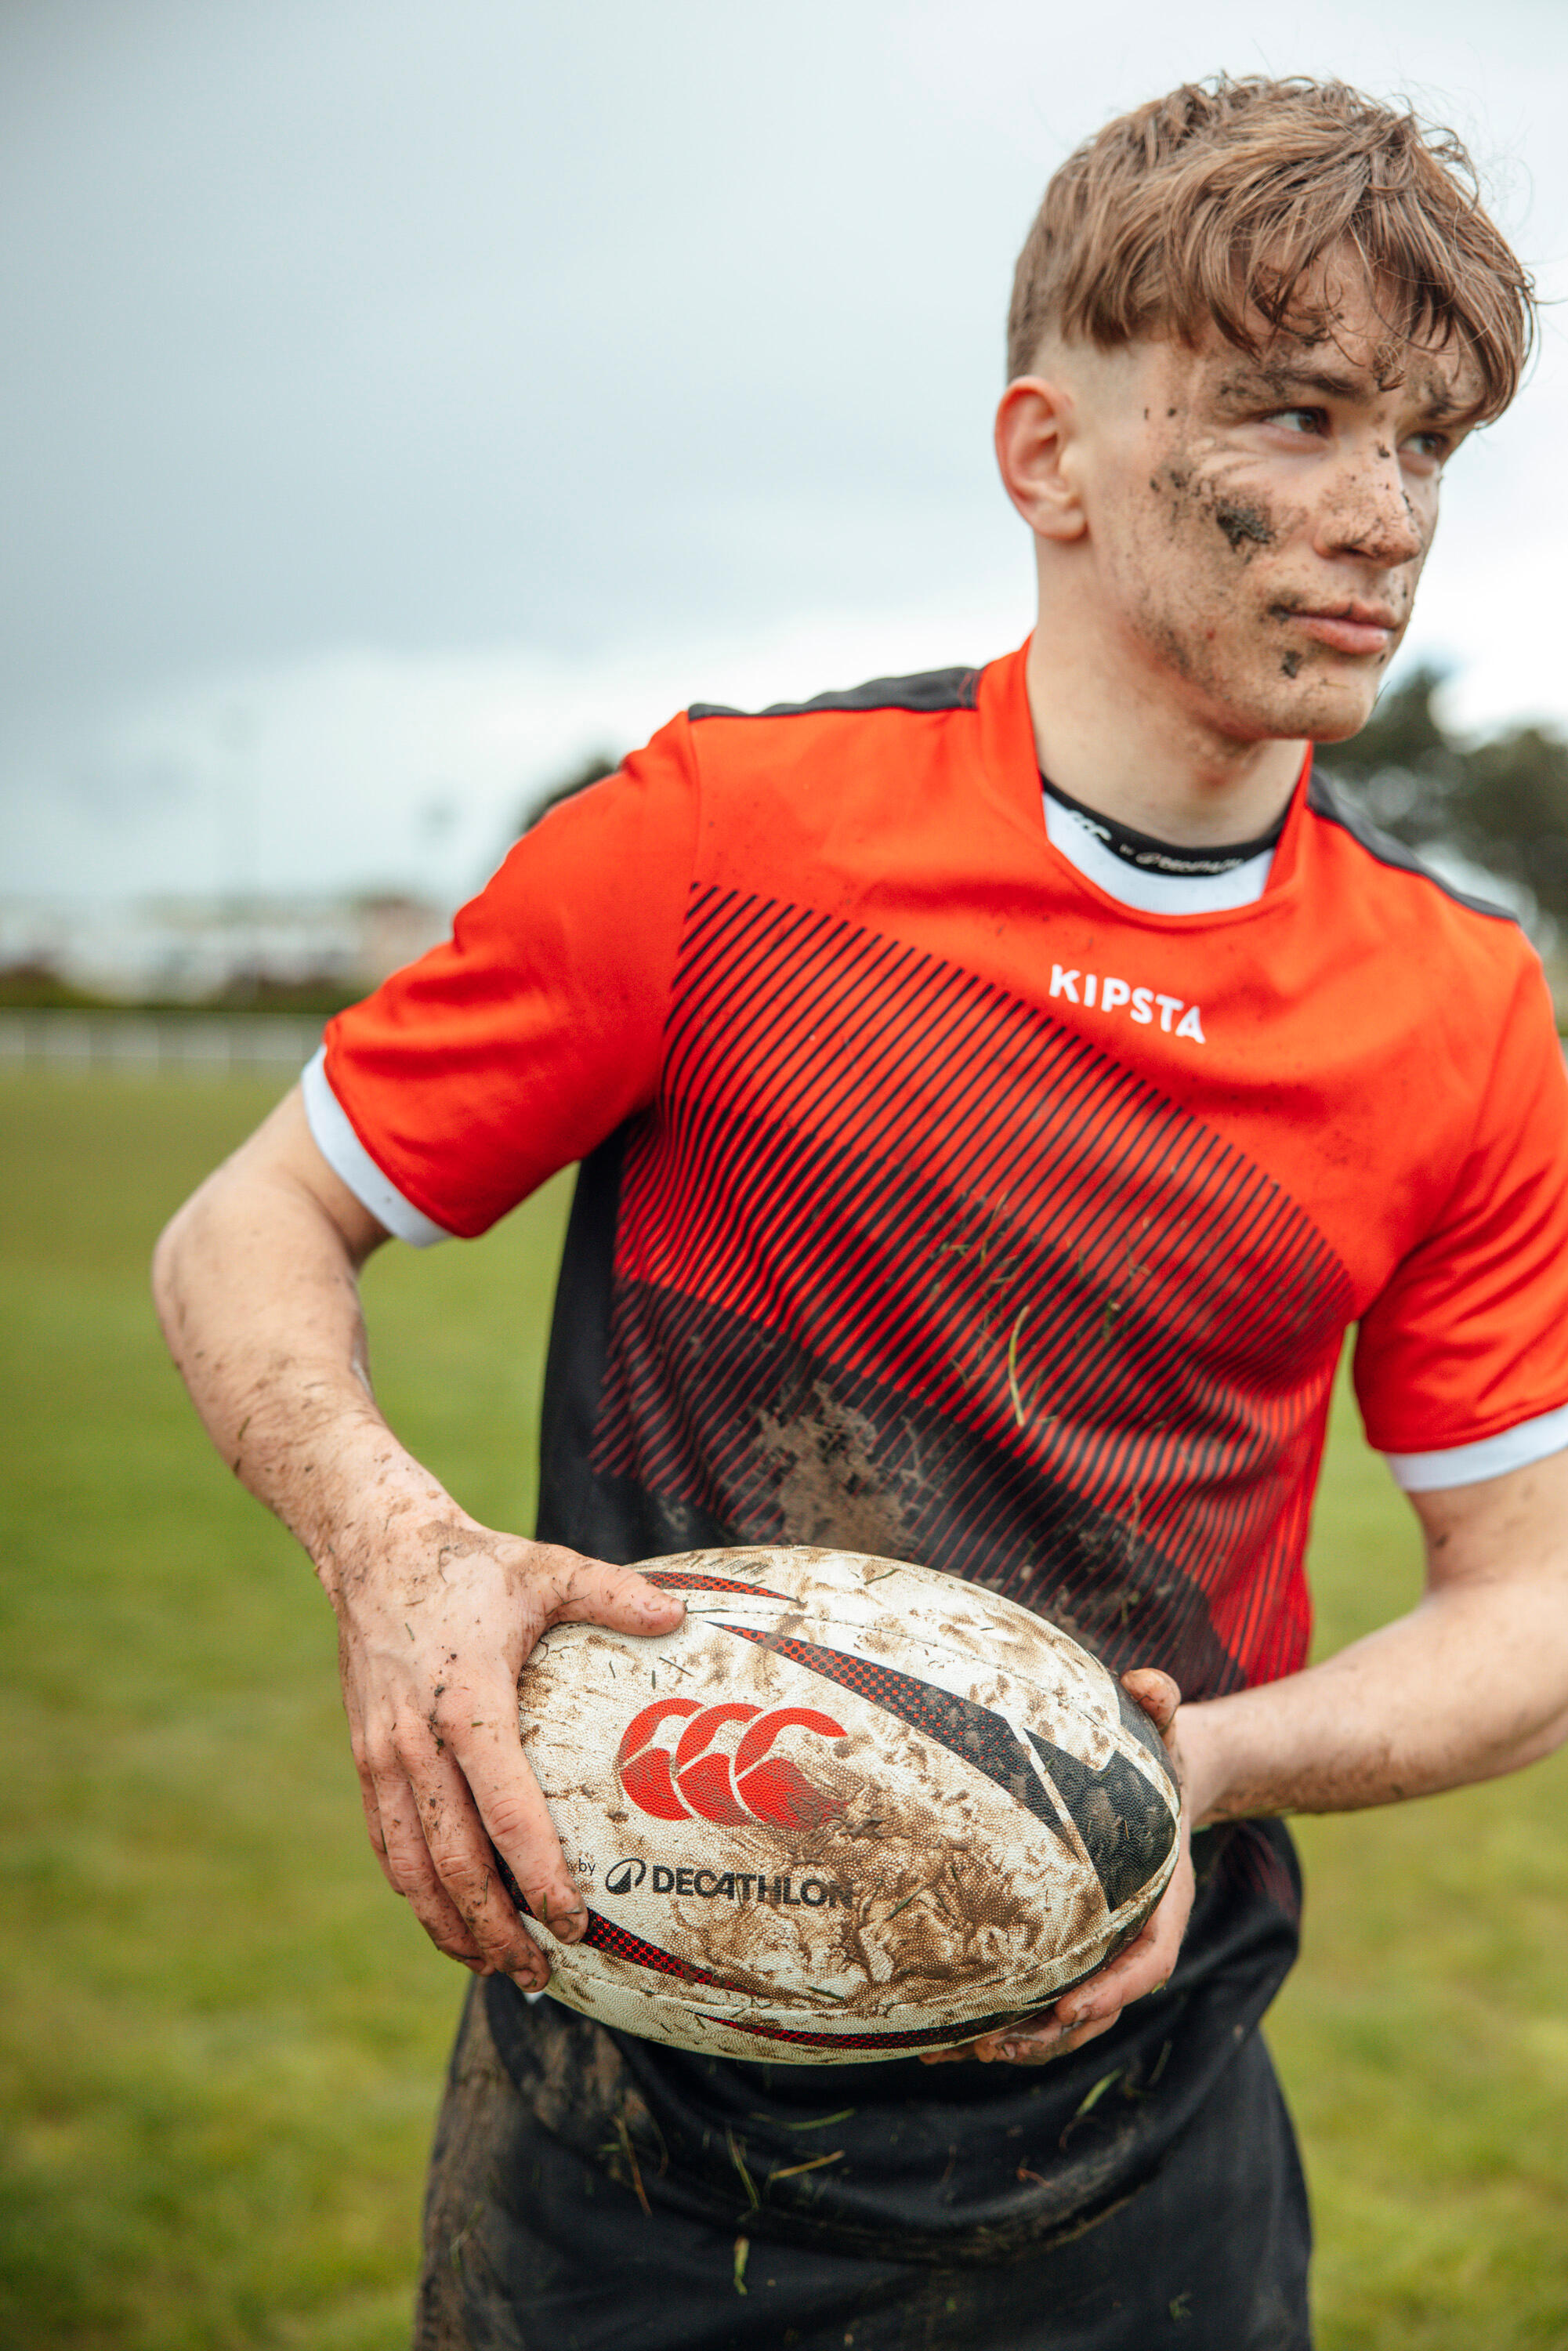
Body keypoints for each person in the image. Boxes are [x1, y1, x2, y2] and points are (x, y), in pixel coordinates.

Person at [154, 73, 1568, 2351]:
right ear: (1046, 457)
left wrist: (1180, 1773)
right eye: (1295, 414)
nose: (1381, 516)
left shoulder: (1458, 1004)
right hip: (628, 2143)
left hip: (1142, 2152)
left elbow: (1536, 1606)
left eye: (1426, 445)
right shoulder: (720, 841)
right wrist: (394, 1555)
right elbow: (248, 1225)